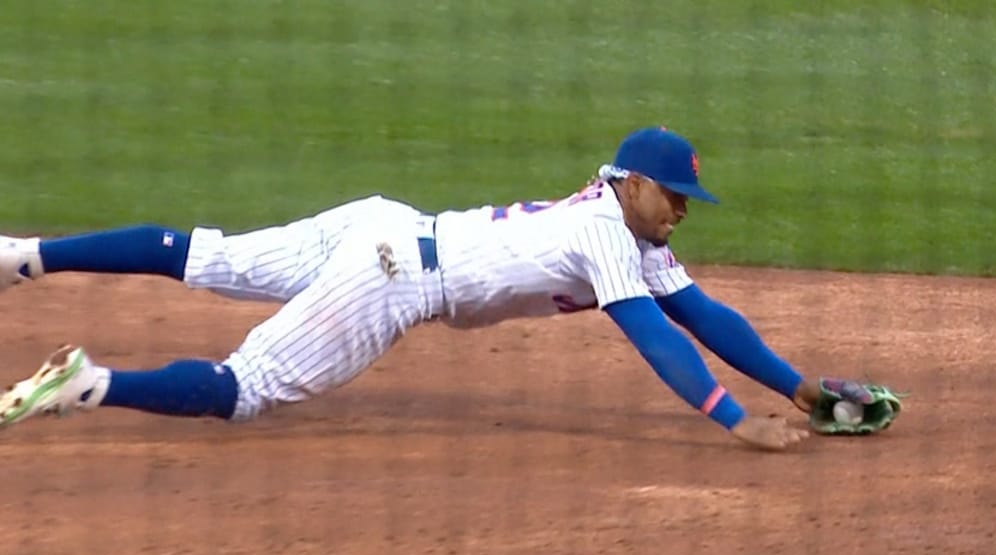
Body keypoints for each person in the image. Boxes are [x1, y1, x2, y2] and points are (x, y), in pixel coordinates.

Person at [0, 126, 877, 451]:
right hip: (391, 278)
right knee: (246, 390)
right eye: (675, 195)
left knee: (213, 257)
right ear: (629, 184)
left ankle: (21, 257)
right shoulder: (605, 230)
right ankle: (88, 385)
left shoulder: (627, 233)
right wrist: (734, 422)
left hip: (384, 223)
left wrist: (799, 391)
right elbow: (656, 338)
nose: (683, 211)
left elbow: (705, 316)